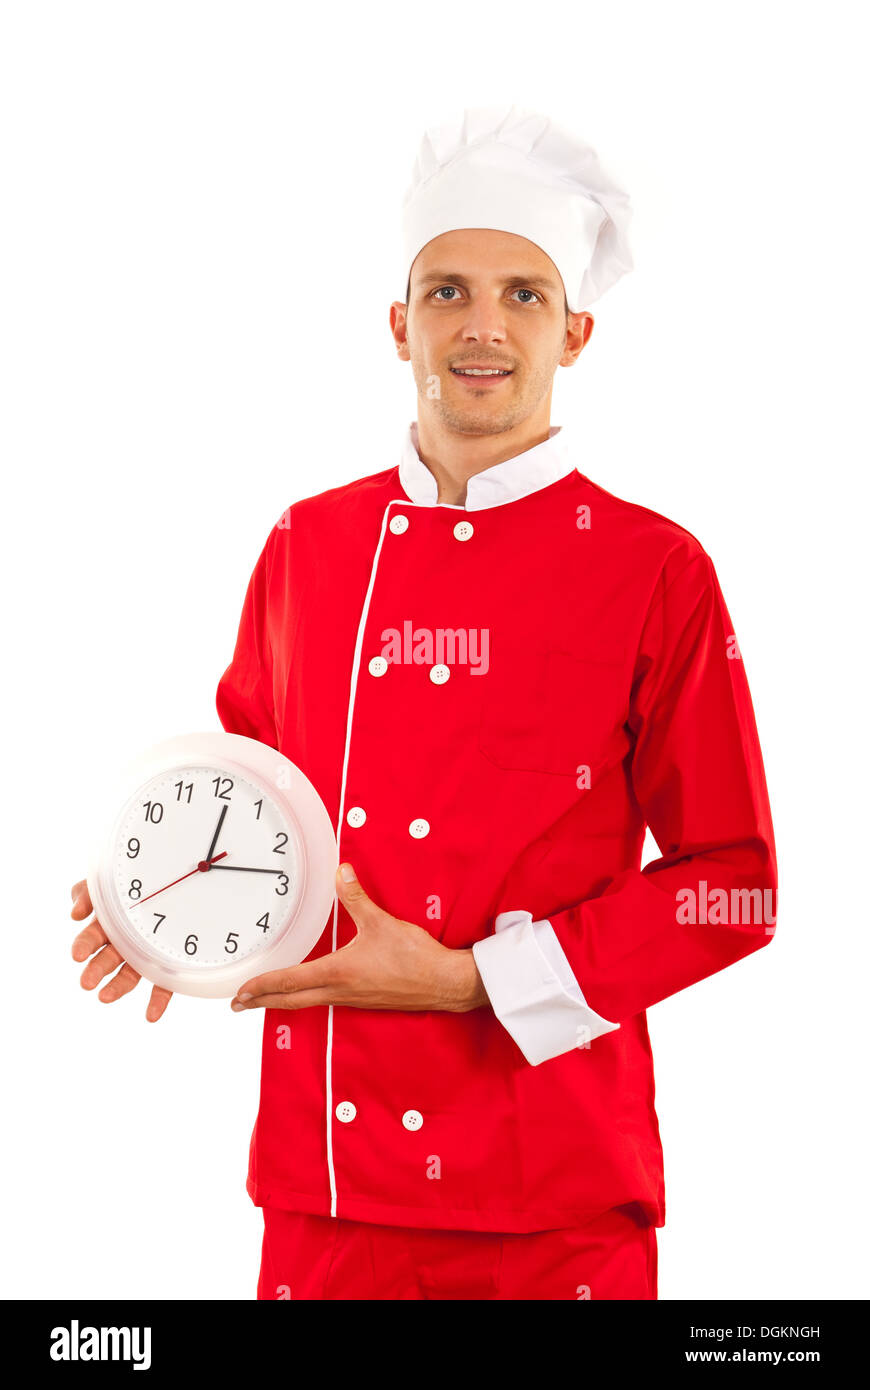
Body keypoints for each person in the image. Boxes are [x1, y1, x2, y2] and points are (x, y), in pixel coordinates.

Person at [70, 105, 777, 1300]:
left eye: (524, 293)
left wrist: (472, 982)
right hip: (325, 1195)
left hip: (552, 1197)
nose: (482, 325)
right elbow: (255, 806)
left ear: (578, 331)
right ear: (400, 325)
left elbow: (733, 883)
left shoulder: (656, 569)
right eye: (447, 291)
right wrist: (162, 907)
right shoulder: (305, 545)